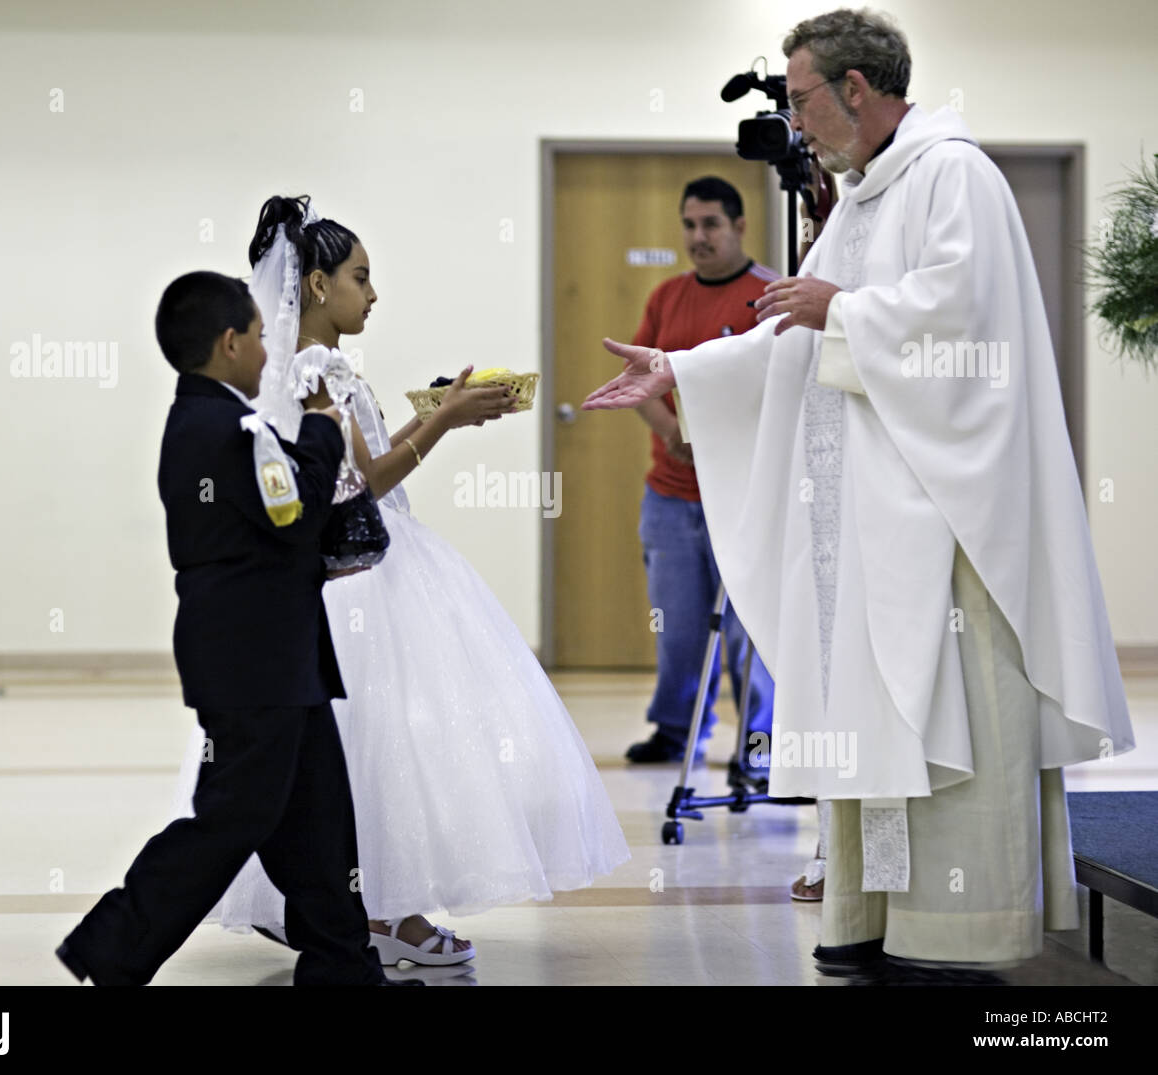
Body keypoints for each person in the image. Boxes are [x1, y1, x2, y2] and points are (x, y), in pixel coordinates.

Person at [585, 8, 1134, 982]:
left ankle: (957, 929)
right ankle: (872, 913)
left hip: (949, 520)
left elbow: (964, 326)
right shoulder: (865, 195)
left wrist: (842, 308)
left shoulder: (952, 174)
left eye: (800, 100)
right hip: (868, 523)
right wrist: (678, 368)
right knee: (873, 714)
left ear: (855, 90)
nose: (793, 122)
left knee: (951, 715)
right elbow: (786, 333)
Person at [171, 196, 631, 967]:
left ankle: (365, 900)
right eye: (360, 276)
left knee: (384, 749)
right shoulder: (316, 370)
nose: (372, 293)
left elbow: (363, 464)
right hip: (364, 586)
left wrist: (443, 412)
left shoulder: (319, 366)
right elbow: (361, 487)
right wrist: (445, 423)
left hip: (380, 574)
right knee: (389, 748)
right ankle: (386, 908)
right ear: (316, 285)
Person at [57, 271, 410, 986]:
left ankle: (343, 965)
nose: (265, 352)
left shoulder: (207, 424)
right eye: (255, 337)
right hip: (256, 662)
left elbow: (272, 534)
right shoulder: (228, 429)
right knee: (231, 818)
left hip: (277, 656)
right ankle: (111, 946)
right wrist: (322, 426)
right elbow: (298, 510)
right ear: (228, 343)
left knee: (317, 820)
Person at [626, 177, 778, 766]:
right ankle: (674, 732)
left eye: (711, 224)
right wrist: (671, 432)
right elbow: (639, 383)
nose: (698, 237)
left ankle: (760, 752)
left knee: (751, 636)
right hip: (670, 498)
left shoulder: (769, 296)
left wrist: (721, 442)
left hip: (743, 502)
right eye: (689, 225)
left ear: (740, 226)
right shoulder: (666, 297)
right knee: (677, 627)